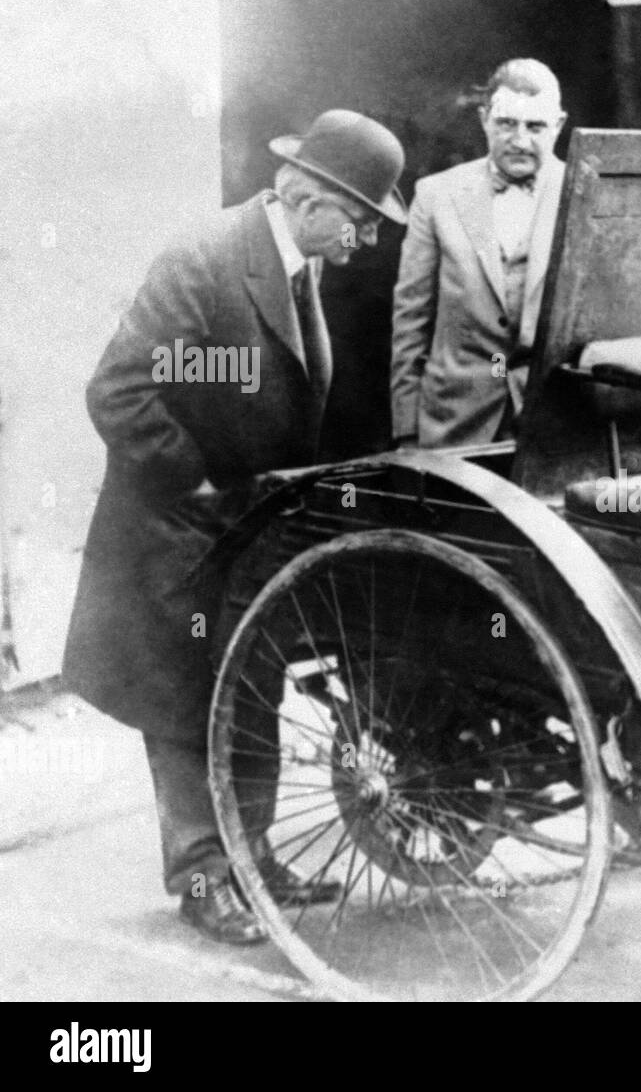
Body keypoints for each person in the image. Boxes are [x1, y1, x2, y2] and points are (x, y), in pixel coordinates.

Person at [62, 110, 406, 944]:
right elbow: (117, 392)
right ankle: (203, 876)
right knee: (181, 701)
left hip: (241, 531)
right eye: (356, 217)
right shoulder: (204, 258)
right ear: (299, 194)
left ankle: (252, 857)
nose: (363, 236)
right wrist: (200, 475)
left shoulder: (298, 267)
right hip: (172, 527)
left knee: (250, 685)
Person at [391, 58, 566, 448]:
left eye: (535, 127)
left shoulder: (583, 193)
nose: (520, 140)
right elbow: (410, 320)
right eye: (507, 124)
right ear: (485, 119)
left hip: (549, 426)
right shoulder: (436, 195)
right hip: (452, 425)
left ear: (558, 125)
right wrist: (406, 429)